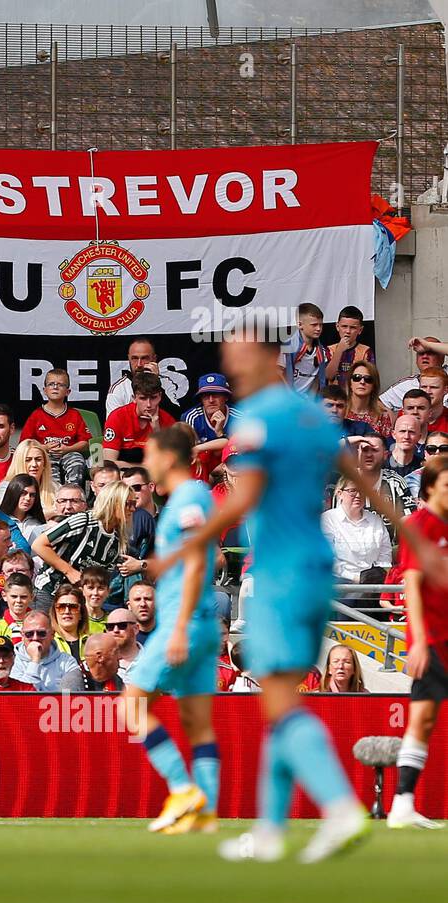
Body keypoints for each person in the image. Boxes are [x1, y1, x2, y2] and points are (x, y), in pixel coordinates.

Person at [155, 326, 428, 864]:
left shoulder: (260, 419)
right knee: (280, 696)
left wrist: (186, 546)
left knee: (279, 700)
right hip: (319, 571)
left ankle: (340, 807)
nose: (230, 364)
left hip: (278, 573)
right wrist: (415, 538)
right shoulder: (312, 417)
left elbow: (243, 499)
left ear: (261, 354)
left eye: (236, 352)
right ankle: (271, 829)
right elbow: (369, 483)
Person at [117, 425, 223, 834]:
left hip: (187, 621)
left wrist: (177, 627)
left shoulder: (191, 496)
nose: (146, 462)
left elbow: (199, 560)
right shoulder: (185, 499)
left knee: (133, 704)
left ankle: (181, 788)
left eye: (151, 454)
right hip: (197, 621)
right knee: (197, 721)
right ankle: (206, 813)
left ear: (170, 458)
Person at [390, 453, 448, 828]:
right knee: (423, 718)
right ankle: (402, 804)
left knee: (424, 718)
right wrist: (419, 641)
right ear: (430, 488)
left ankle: (401, 805)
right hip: (434, 639)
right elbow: (410, 583)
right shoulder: (418, 525)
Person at [21, 370, 91, 488]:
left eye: (60, 384)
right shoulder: (36, 415)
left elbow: (85, 442)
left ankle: (74, 497)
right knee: (46, 466)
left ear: (68, 391)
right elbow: (25, 444)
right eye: (51, 384)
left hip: (69, 453)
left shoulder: (74, 415)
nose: (55, 387)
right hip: (46, 455)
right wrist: (44, 448)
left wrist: (68, 449)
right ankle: (53, 500)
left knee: (77, 460)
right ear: (45, 390)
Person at [322, 477, 392, 582]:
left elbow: (385, 557)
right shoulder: (327, 520)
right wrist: (355, 578)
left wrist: (376, 577)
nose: (358, 495)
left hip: (373, 583)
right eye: (352, 491)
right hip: (340, 584)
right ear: (339, 493)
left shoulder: (376, 521)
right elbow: (327, 560)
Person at [102, 370, 176, 465]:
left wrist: (157, 432)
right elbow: (109, 464)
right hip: (123, 476)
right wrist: (143, 469)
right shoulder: (117, 417)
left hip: (155, 477)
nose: (149, 404)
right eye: (143, 398)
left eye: (153, 398)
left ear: (160, 397)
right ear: (134, 398)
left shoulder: (168, 420)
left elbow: (170, 464)